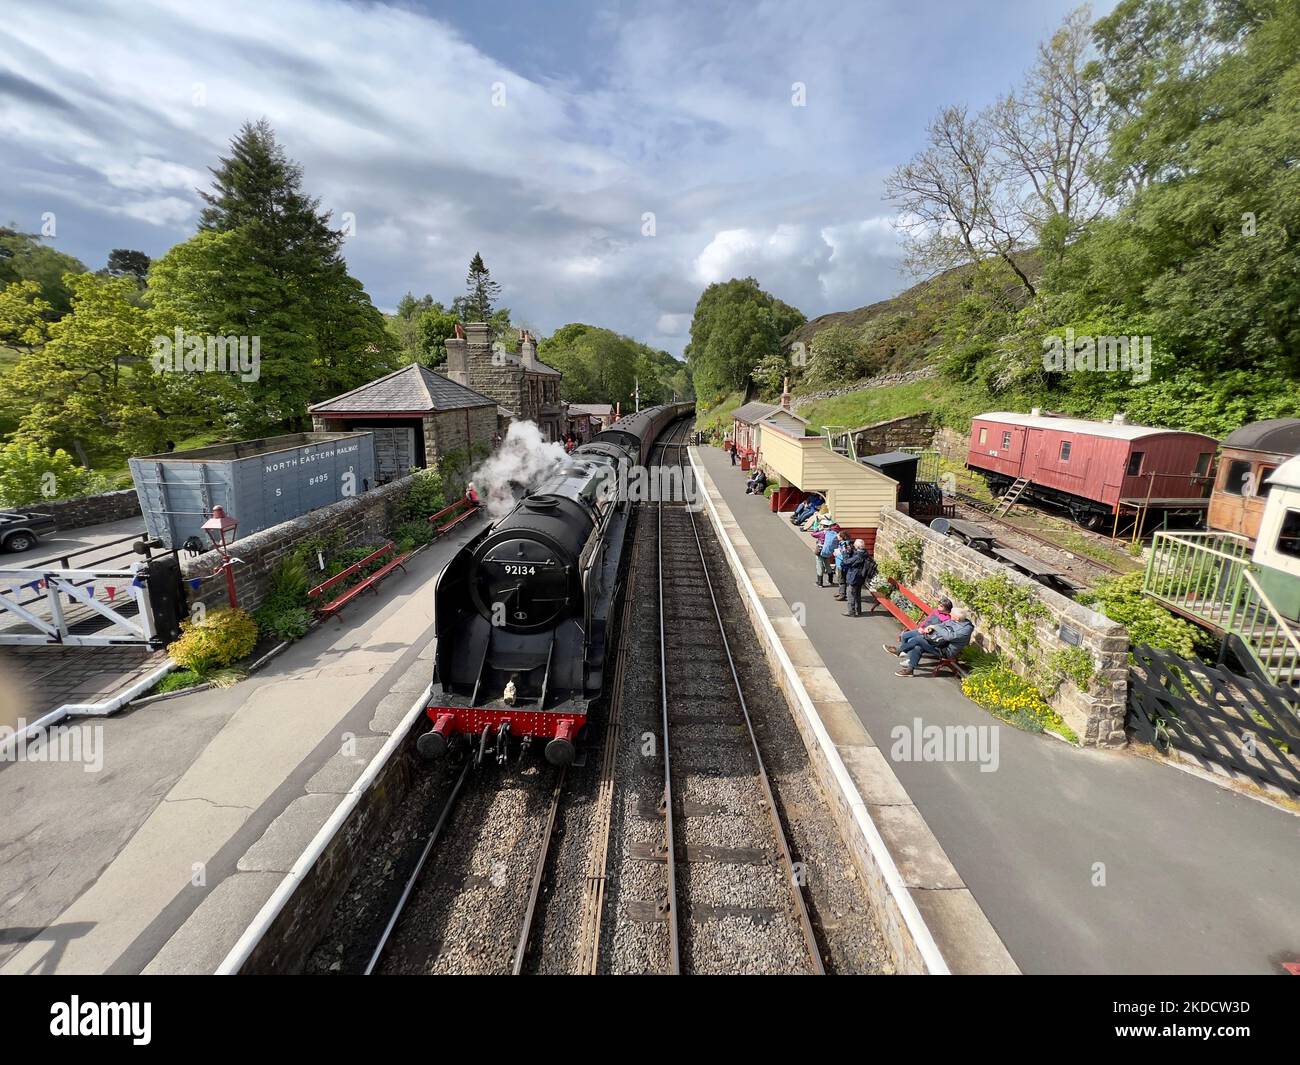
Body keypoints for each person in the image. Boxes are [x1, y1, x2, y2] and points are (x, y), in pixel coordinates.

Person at [885, 610, 975, 676]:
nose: (950, 614)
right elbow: (942, 625)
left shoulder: (965, 630)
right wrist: (931, 628)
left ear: (958, 618)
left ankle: (899, 651)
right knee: (918, 647)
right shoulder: (954, 620)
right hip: (937, 642)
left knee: (919, 640)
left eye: (952, 614)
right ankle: (910, 670)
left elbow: (949, 637)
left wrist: (935, 627)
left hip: (945, 651)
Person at [841, 540, 875, 617]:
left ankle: (851, 612)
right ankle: (858, 610)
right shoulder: (865, 553)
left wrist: (845, 553)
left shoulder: (858, 556)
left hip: (854, 577)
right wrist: (850, 551)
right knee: (857, 594)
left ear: (857, 547)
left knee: (851, 594)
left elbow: (846, 562)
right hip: (861, 577)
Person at [813, 523, 840, 587]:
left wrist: (817, 529)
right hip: (828, 553)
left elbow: (813, 534)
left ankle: (820, 583)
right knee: (828, 565)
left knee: (819, 566)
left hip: (820, 551)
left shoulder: (824, 533)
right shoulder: (837, 535)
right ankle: (830, 581)